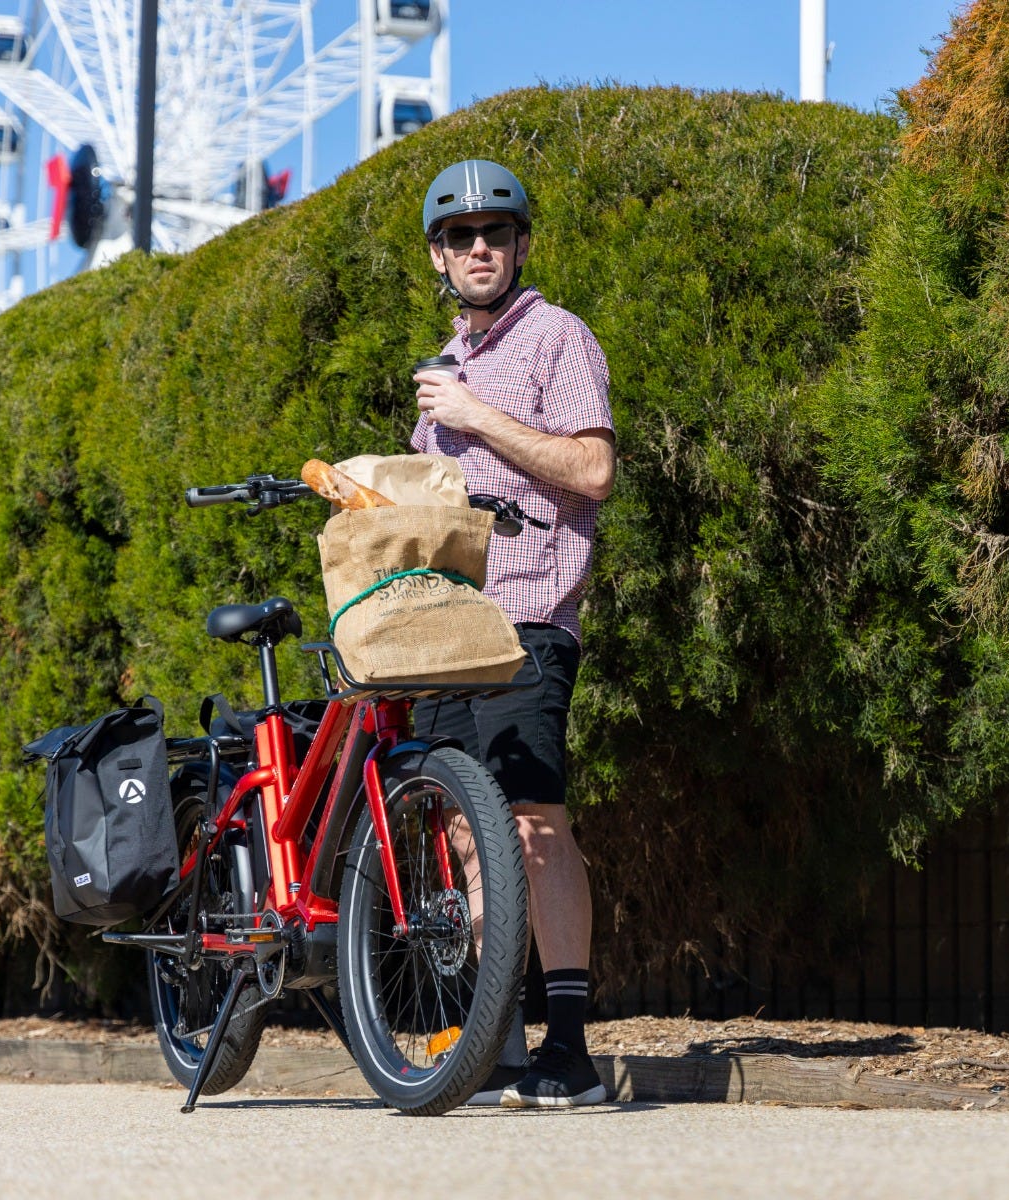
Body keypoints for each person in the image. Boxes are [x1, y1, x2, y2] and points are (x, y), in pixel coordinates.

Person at [409, 159, 615, 1108]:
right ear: (439, 258)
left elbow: (591, 468)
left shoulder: (555, 339)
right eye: (460, 236)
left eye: (495, 232)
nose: (479, 247)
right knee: (462, 830)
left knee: (534, 825)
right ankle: (496, 1038)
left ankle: (568, 1044)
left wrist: (476, 417)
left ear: (520, 245)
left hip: (531, 619)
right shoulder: (443, 372)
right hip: (447, 630)